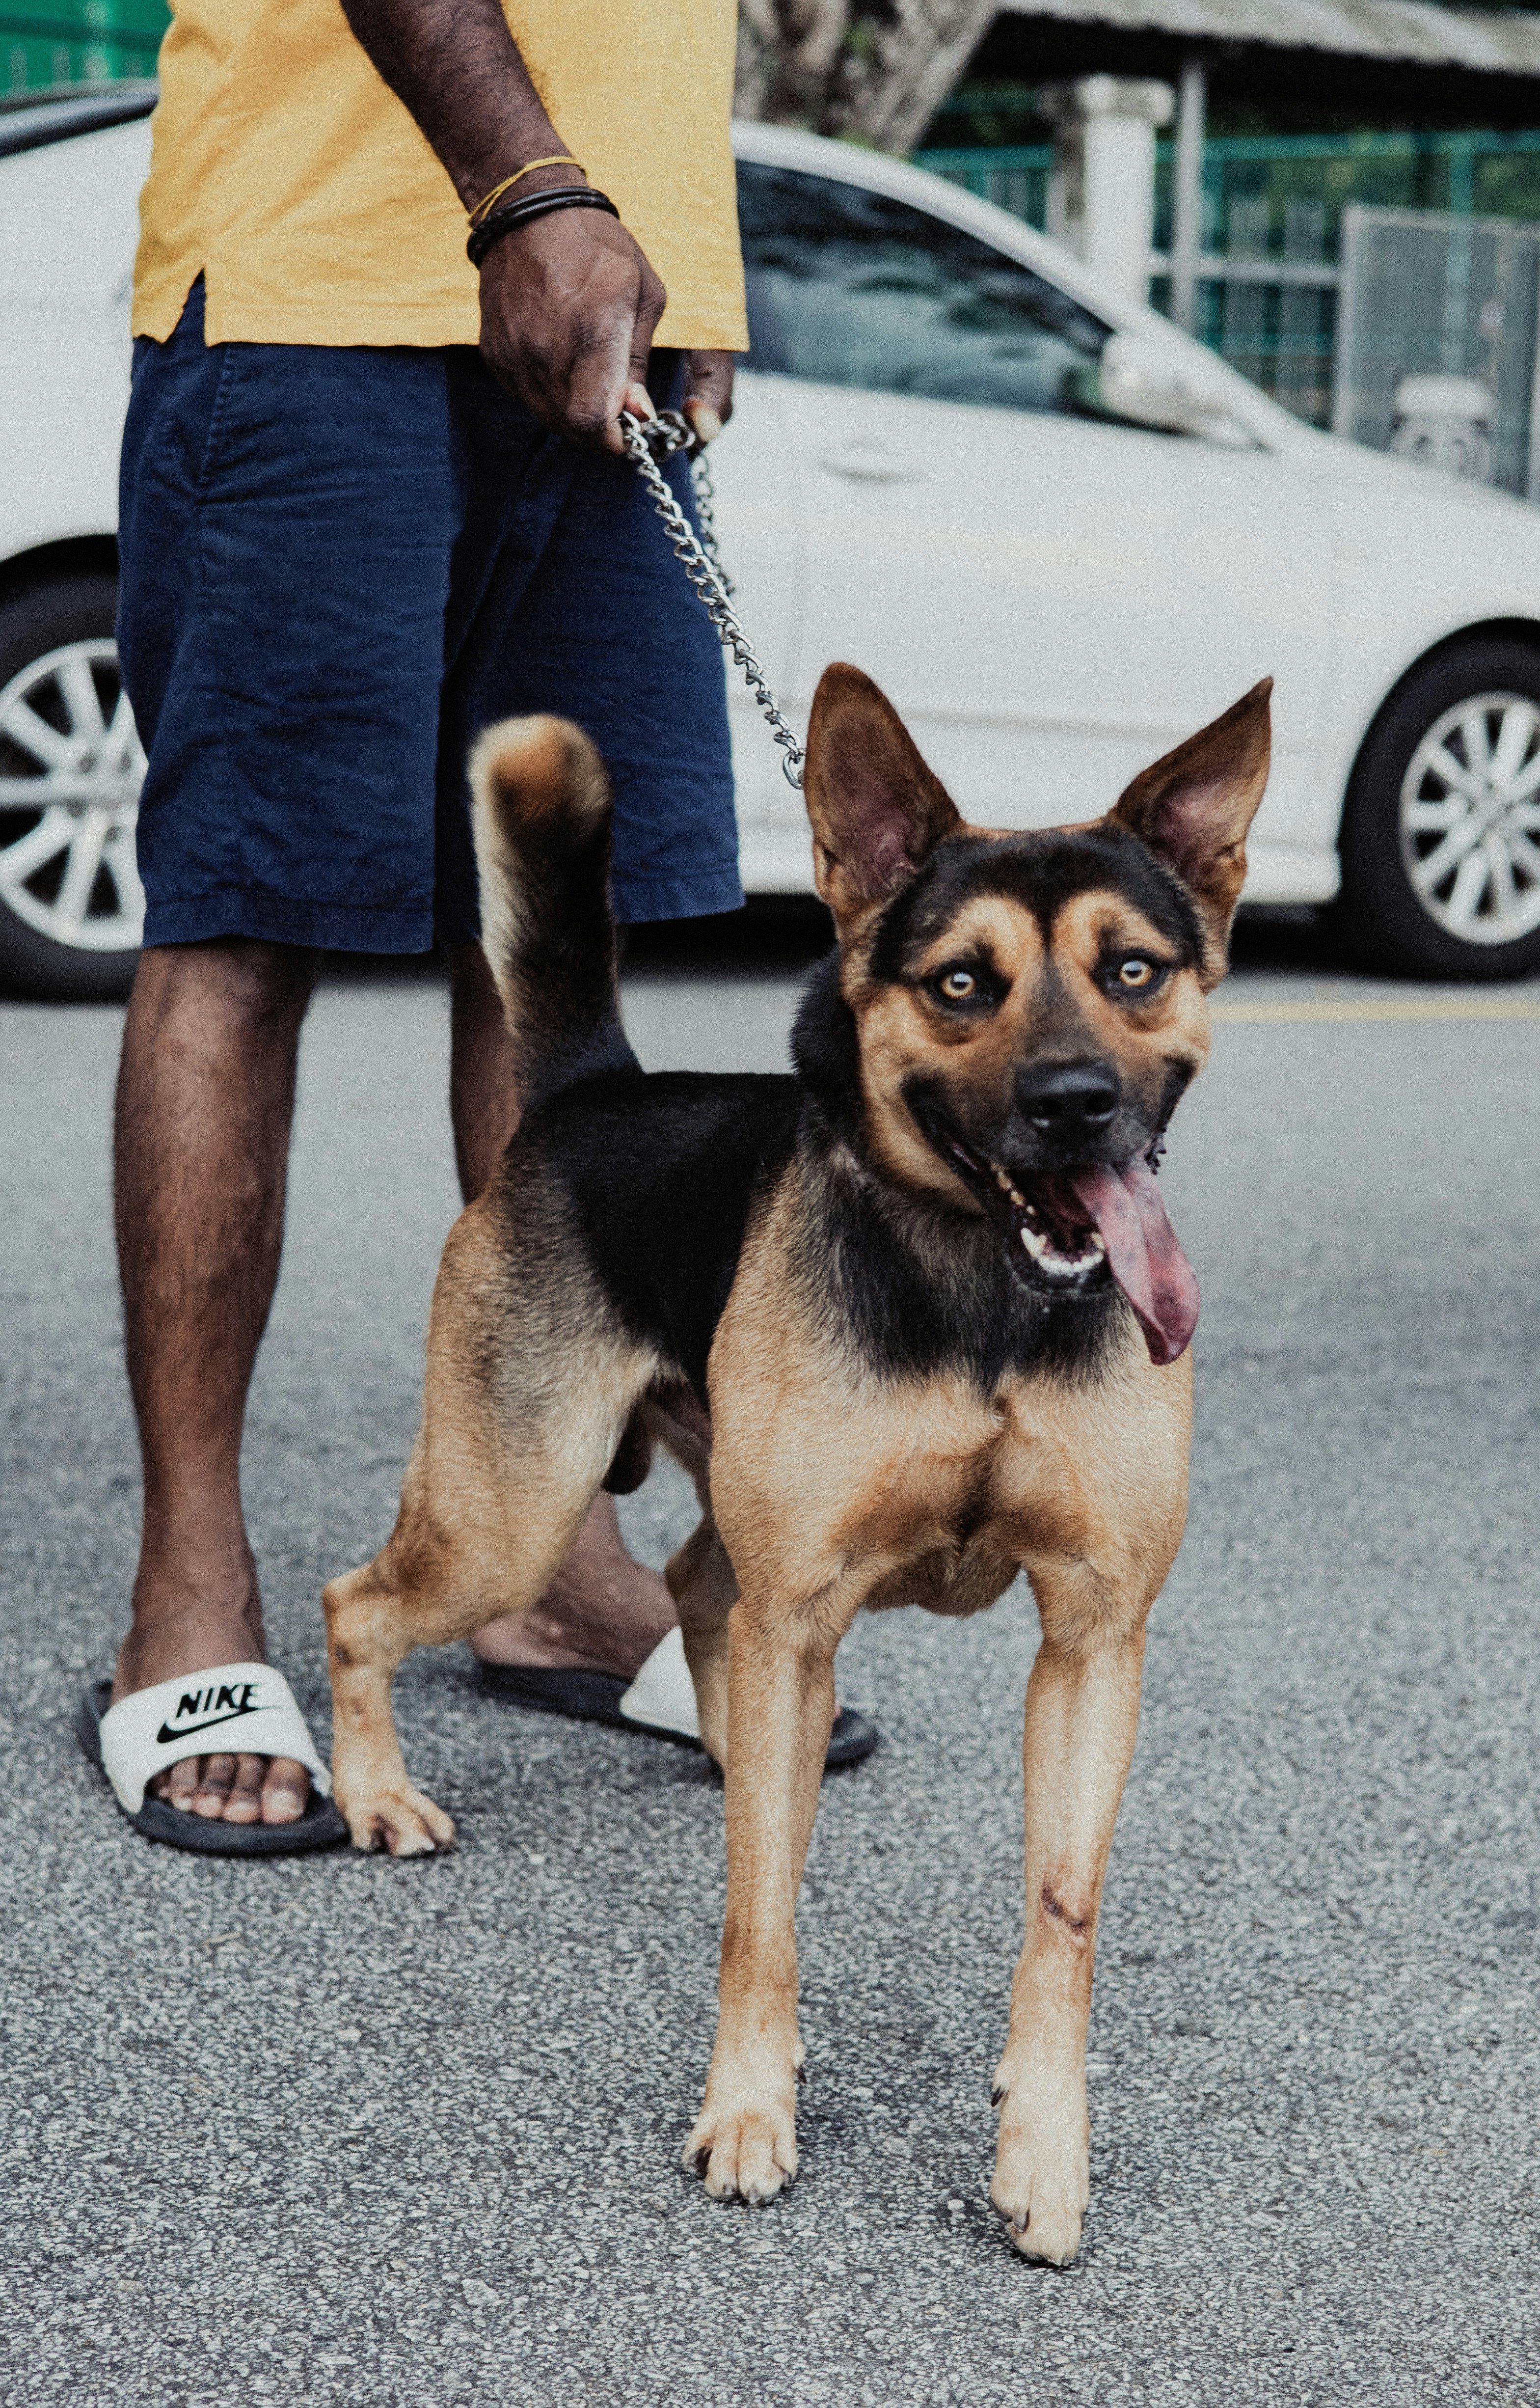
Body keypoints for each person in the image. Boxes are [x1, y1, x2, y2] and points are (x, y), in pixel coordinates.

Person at [91, 0, 872, 1853]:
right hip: (322, 288)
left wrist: (680, 249)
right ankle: (190, 1581)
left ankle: (544, 1556)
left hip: (606, 287)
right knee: (242, 924)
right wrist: (527, 188)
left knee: (553, 940)